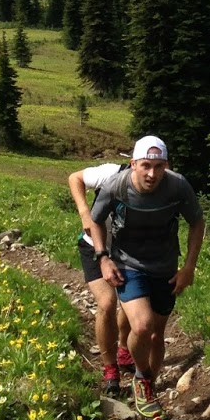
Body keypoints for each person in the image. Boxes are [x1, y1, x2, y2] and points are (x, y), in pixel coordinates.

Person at [85, 134, 205, 420]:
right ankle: (141, 380)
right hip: (129, 264)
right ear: (133, 163)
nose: (152, 174)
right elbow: (95, 220)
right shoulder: (117, 186)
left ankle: (148, 385)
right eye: (146, 165)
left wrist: (189, 267)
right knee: (143, 325)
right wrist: (103, 258)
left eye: (159, 166)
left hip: (165, 266)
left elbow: (197, 222)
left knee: (157, 334)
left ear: (166, 165)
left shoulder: (177, 186)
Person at [67, 160, 136, 395]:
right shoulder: (109, 173)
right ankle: (110, 369)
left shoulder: (157, 186)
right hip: (93, 247)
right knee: (107, 303)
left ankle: (124, 349)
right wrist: (85, 212)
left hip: (128, 252)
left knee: (130, 302)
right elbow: (74, 178)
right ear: (132, 163)